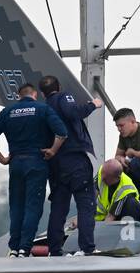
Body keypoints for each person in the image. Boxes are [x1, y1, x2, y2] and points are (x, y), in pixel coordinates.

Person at [0, 82, 68, 256]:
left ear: (19, 95)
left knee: (16, 207)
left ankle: (14, 248)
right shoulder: (43, 109)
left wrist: (2, 159)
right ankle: (25, 248)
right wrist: (52, 150)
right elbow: (62, 133)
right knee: (33, 207)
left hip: (16, 164)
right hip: (36, 163)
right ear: (35, 94)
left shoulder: (7, 112)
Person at [39, 75, 104, 256]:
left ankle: (54, 250)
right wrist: (94, 104)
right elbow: (73, 112)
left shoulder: (43, 108)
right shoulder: (63, 97)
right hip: (75, 161)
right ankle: (87, 248)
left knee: (59, 208)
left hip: (55, 165)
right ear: (58, 87)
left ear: (43, 94)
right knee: (86, 205)